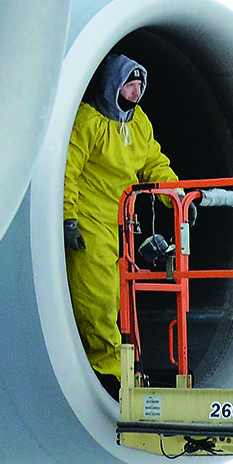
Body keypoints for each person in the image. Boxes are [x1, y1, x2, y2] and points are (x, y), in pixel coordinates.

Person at [63, 53, 175, 398]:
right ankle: (107, 369)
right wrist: (68, 217)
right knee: (96, 297)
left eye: (140, 85)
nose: (136, 91)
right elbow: (68, 169)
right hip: (91, 220)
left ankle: (126, 368)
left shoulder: (138, 123)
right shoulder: (89, 121)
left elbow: (153, 162)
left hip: (122, 222)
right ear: (113, 85)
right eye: (129, 84)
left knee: (117, 296)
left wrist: (176, 196)